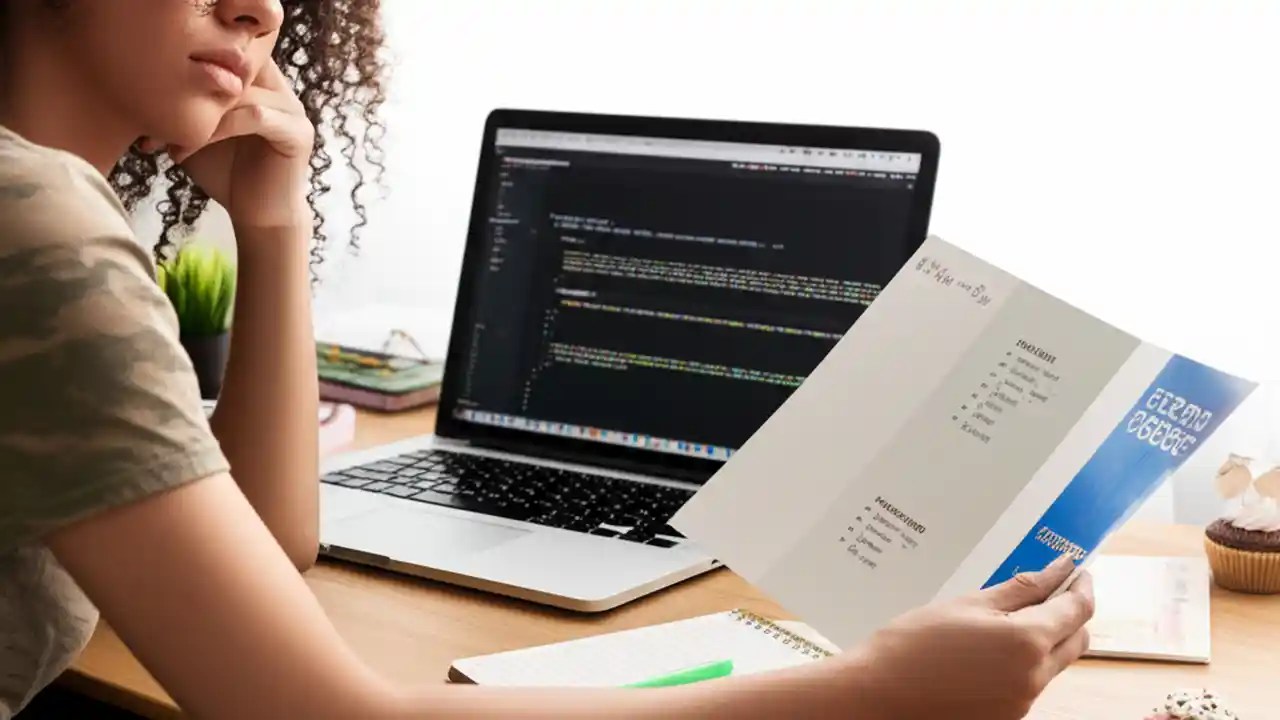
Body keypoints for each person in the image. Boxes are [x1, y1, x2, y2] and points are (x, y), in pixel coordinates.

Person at [0, 1, 1095, 718]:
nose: (264, 9)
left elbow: (273, 537)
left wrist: (275, 229)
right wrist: (868, 694)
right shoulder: (34, 220)